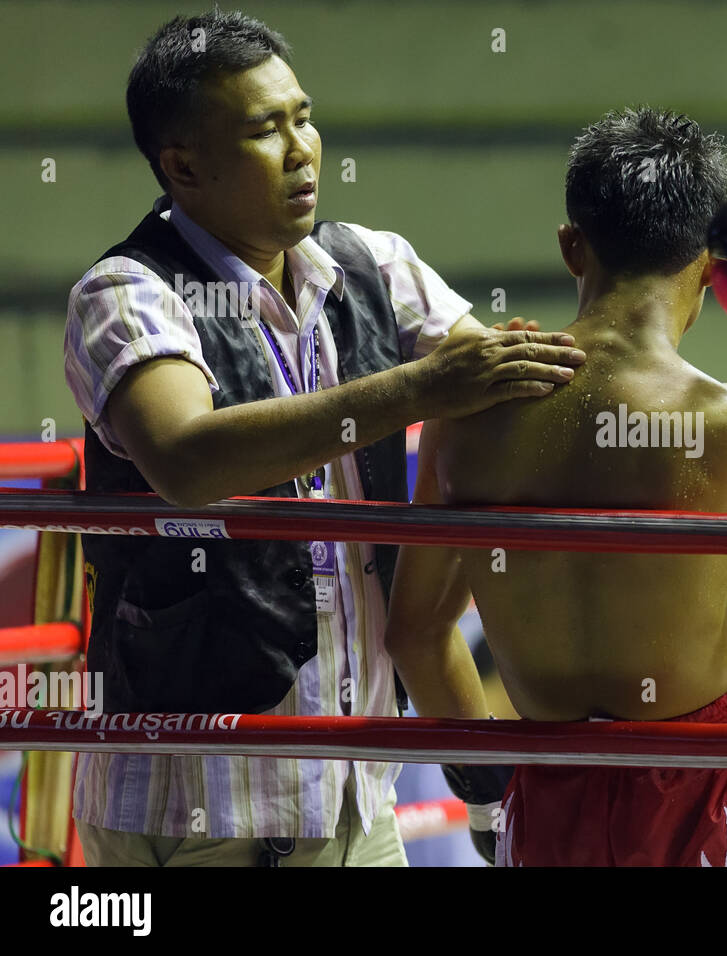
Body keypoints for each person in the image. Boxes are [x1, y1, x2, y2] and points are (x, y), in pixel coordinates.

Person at [62, 10, 584, 867]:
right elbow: (186, 457)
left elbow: (503, 383)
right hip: (199, 809)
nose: (303, 148)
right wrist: (419, 389)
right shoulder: (123, 293)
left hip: (354, 791)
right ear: (183, 164)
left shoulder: (373, 264)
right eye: (265, 129)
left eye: (302, 116)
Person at [383, 107, 727, 866]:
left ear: (572, 248)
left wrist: (485, 792)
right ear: (712, 269)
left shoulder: (465, 418)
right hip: (719, 781)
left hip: (548, 791)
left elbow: (414, 634)